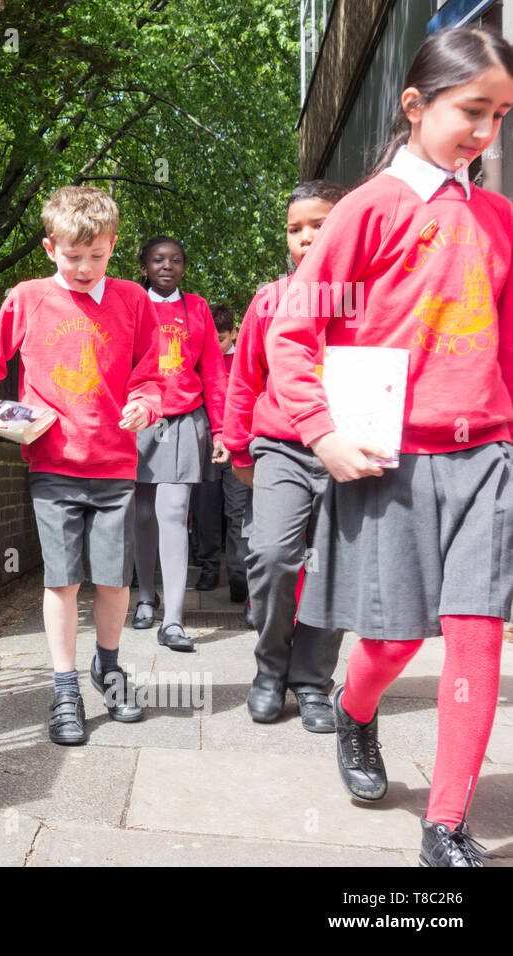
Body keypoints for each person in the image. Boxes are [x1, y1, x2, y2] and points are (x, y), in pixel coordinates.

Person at [267, 26, 513, 866]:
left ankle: (446, 823)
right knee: (397, 640)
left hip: (487, 456)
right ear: (414, 106)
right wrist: (324, 432)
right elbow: (295, 335)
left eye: (502, 115)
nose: (486, 133)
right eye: (471, 111)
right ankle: (356, 708)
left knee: (477, 631)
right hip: (390, 460)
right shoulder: (368, 210)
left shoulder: (500, 219)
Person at [0, 185, 163, 745]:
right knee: (63, 580)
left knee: (113, 581)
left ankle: (108, 664)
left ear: (113, 245)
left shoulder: (132, 300)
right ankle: (66, 687)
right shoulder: (26, 298)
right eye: (73, 256)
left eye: (96, 256)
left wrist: (146, 402)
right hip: (53, 464)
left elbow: (151, 372)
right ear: (51, 247)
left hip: (116, 466)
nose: (84, 267)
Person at [224, 180, 349, 732]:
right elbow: (243, 379)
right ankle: (270, 670)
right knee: (274, 555)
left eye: (319, 225)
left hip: (348, 453)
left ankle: (313, 682)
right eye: (296, 229)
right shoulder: (270, 300)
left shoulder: (364, 298)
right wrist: (237, 448)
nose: (306, 237)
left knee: (331, 568)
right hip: (280, 446)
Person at [129, 237, 229, 651]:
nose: (166, 266)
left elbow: (213, 370)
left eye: (175, 260)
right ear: (145, 266)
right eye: (158, 259)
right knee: (143, 514)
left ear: (184, 267)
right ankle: (146, 598)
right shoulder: (132, 303)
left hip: (186, 419)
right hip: (139, 420)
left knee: (173, 512)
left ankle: (173, 619)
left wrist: (222, 430)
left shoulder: (198, 308)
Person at [190, 305, 248, 598]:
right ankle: (210, 569)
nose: (216, 345)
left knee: (237, 512)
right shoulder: (200, 361)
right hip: (206, 446)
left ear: (233, 333)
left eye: (221, 339)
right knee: (206, 511)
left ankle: (239, 574)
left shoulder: (244, 360)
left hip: (237, 447)